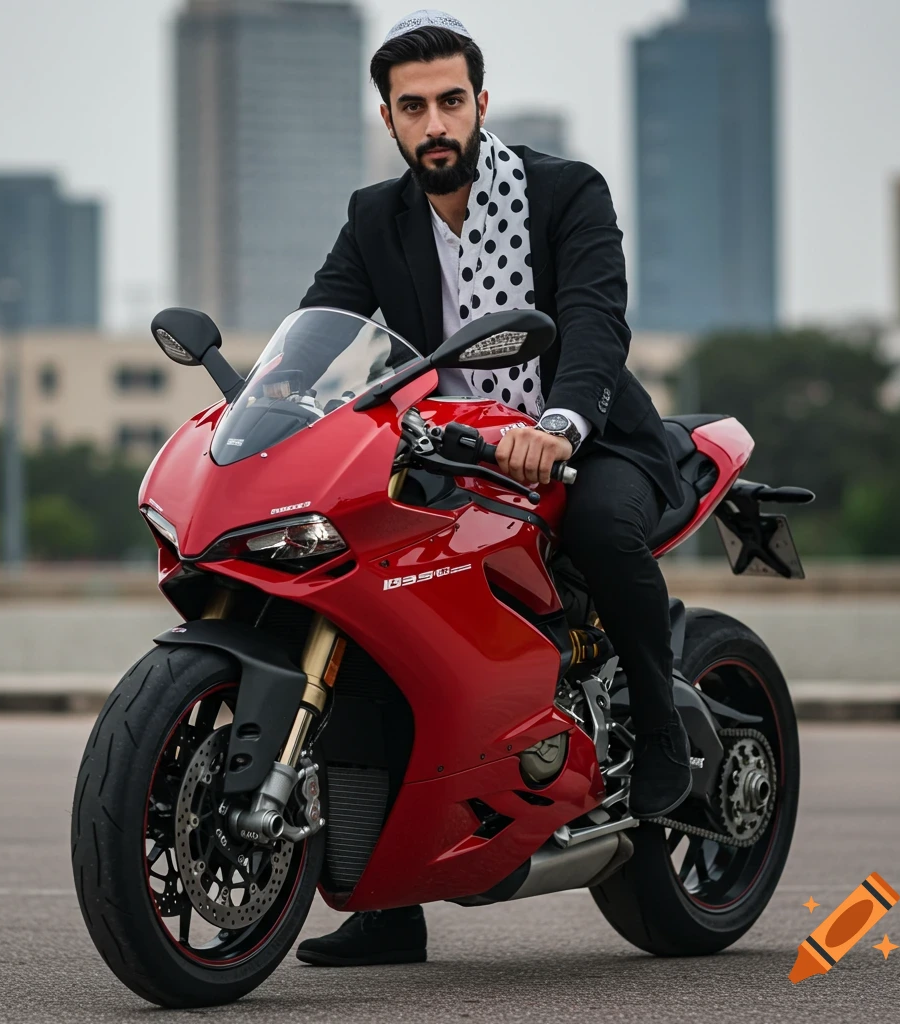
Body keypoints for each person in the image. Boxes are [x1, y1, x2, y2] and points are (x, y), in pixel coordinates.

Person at [295, 9, 692, 968]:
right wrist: (273, 405)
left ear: (481, 103)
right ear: (387, 119)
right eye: (413, 107)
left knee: (599, 527)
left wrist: (558, 425)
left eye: (450, 101)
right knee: (375, 609)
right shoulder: (374, 217)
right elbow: (319, 320)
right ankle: (388, 907)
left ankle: (660, 717)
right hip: (454, 455)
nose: (436, 124)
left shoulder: (564, 193)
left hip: (592, 443)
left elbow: (596, 320)